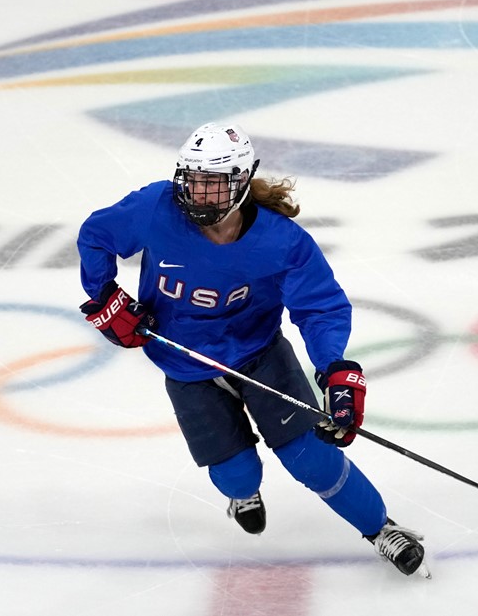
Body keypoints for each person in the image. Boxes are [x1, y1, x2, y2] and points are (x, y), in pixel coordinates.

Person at [76, 122, 429, 578]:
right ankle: (243, 491)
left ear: (242, 182)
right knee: (235, 474)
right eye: (193, 181)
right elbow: (95, 235)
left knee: (313, 459)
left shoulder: (282, 242)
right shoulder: (154, 207)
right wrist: (103, 295)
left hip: (260, 356)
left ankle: (382, 529)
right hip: (185, 365)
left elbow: (320, 308)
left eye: (213, 184)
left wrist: (336, 368)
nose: (198, 195)